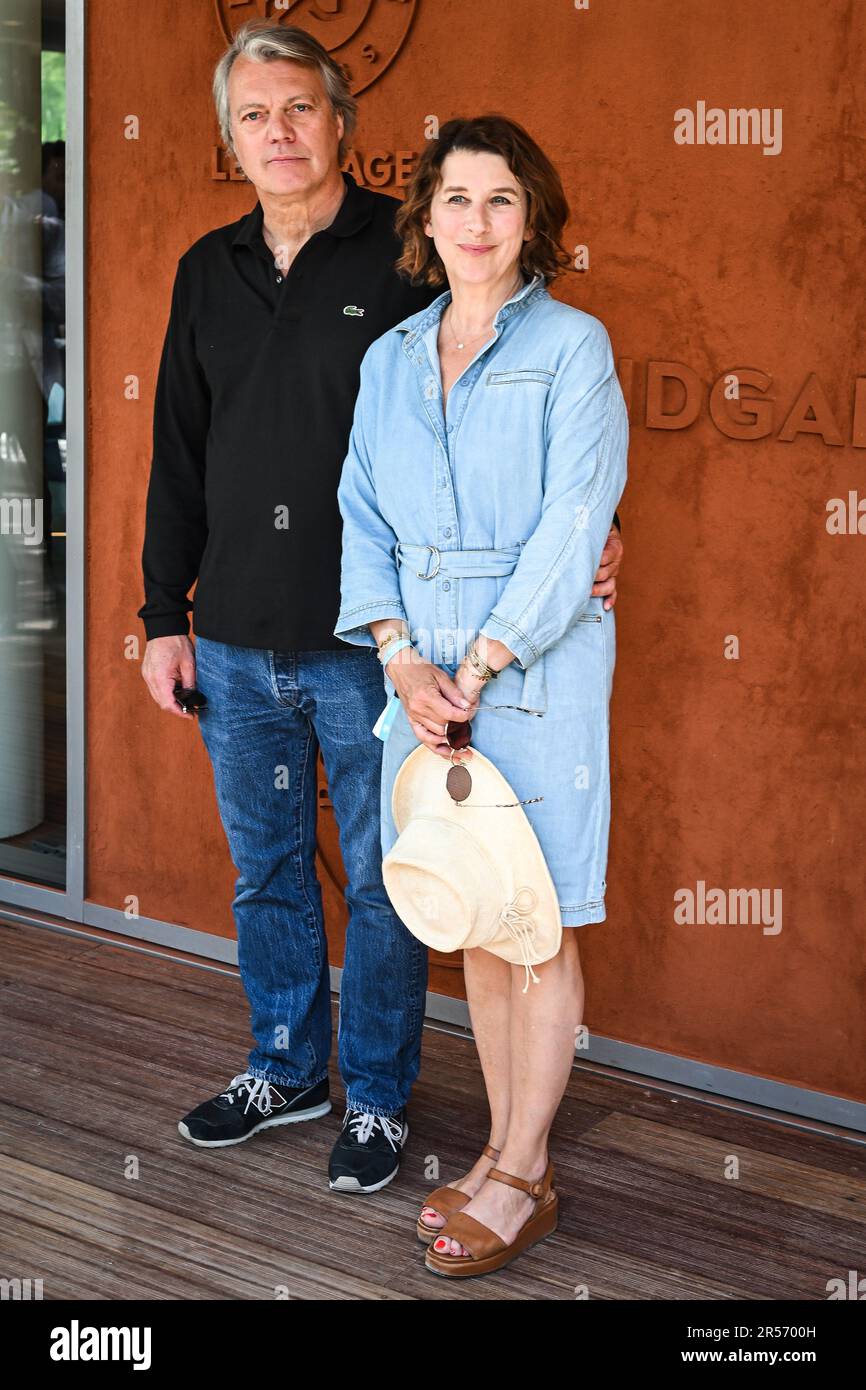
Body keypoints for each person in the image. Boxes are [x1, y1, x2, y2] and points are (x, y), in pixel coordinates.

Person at [138, 22, 623, 1194]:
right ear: (229, 138)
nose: (279, 132)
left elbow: (515, 437)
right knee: (266, 872)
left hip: (375, 648)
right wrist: (165, 611)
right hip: (245, 638)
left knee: (390, 880)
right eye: (254, 115)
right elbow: (178, 452)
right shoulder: (208, 269)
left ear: (341, 124)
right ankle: (284, 1063)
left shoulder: (411, 256)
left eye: (299, 107)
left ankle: (379, 1096)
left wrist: (598, 543)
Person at [335, 114, 627, 1273]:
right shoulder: (389, 357)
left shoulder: (573, 347)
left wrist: (483, 659)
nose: (476, 222)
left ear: (532, 218)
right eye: (454, 198)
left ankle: (515, 1167)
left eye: (500, 199)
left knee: (534, 921)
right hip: (421, 671)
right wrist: (401, 657)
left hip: (536, 663)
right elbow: (360, 511)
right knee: (478, 919)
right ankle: (519, 1155)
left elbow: (574, 523)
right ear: (425, 219)